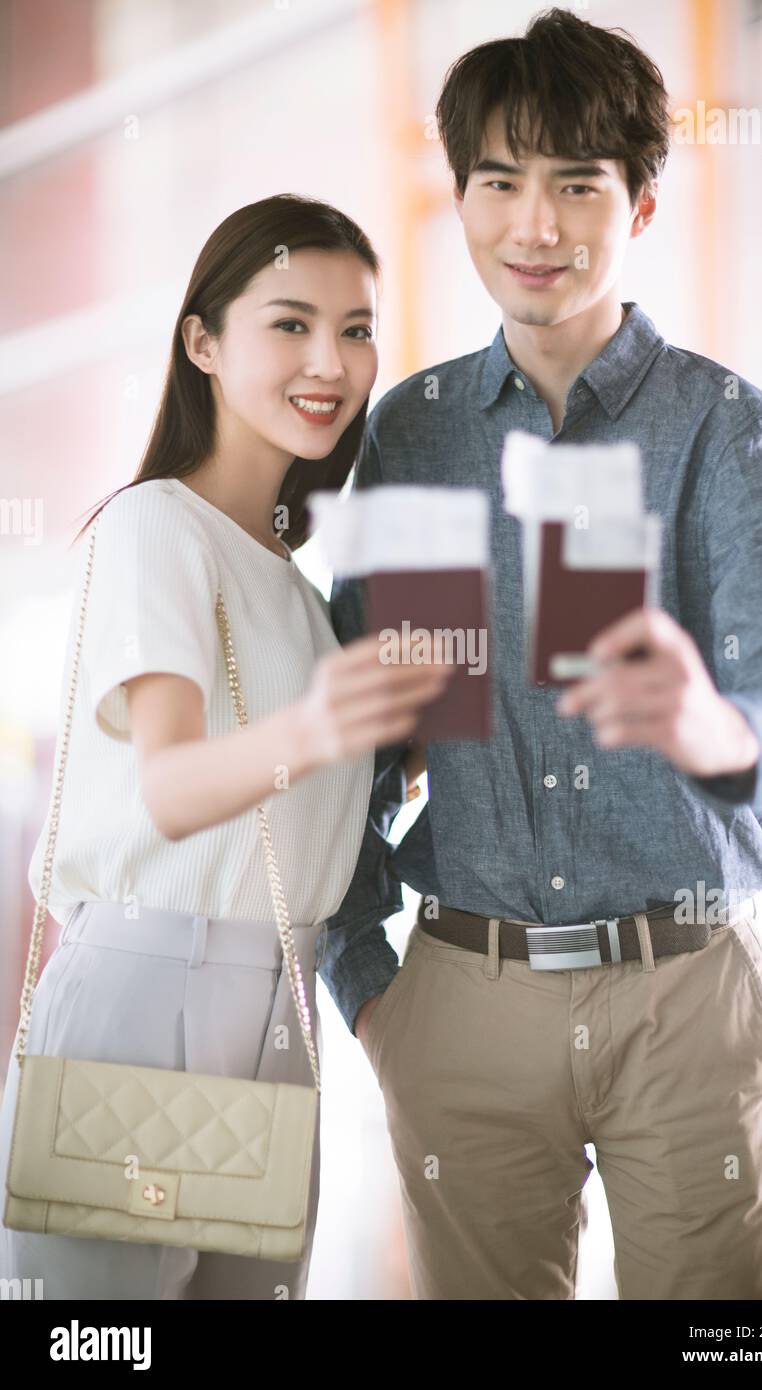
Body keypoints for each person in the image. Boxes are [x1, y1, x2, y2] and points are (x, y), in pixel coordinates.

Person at [317, 10, 762, 1300]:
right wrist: (370, 986)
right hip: (462, 997)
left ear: (644, 203)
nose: (536, 226)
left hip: (687, 997)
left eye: (576, 184)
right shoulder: (419, 434)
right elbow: (367, 737)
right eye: (499, 182)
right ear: (459, 198)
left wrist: (710, 728)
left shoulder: (721, 430)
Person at [0, 194, 450, 1300]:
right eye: (290, 323)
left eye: (354, 329)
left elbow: (309, 833)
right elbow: (170, 787)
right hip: (150, 991)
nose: (331, 361)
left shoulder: (302, 600)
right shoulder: (155, 525)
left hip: (282, 1007)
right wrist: (324, 725)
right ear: (203, 341)